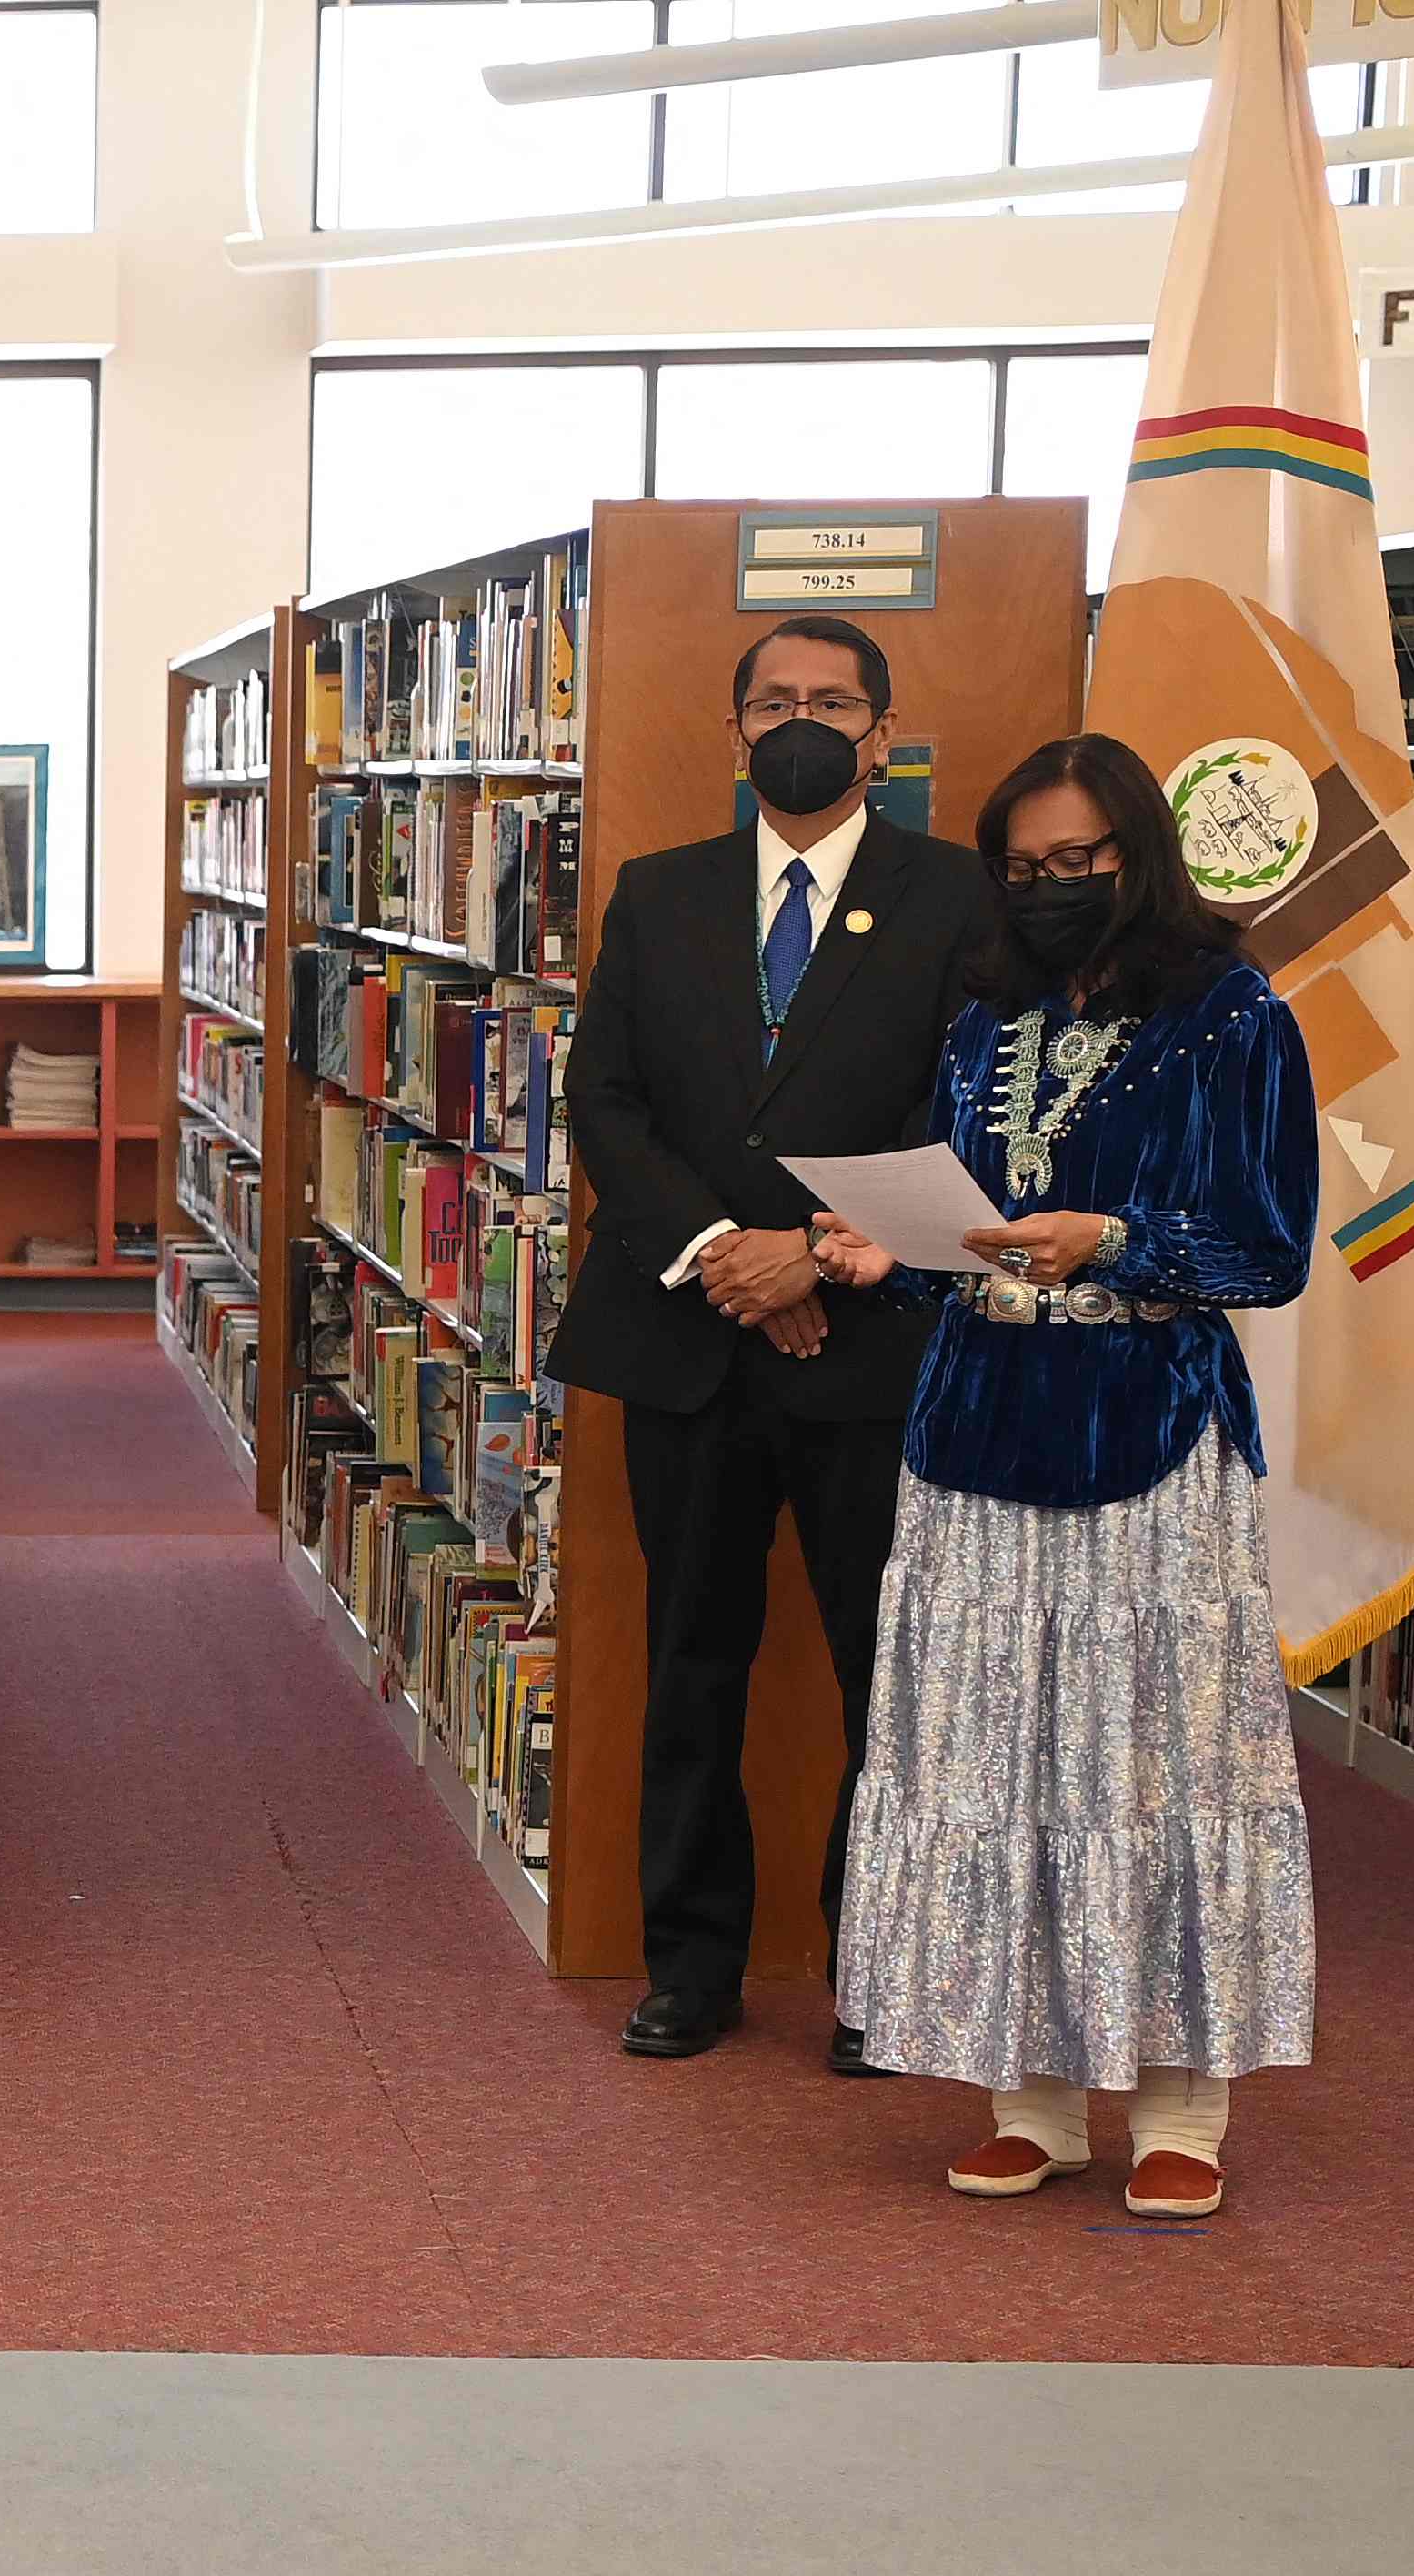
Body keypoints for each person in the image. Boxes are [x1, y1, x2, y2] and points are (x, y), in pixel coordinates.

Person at [806, 732, 1319, 2220]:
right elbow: (964, 1221)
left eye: (1081, 863)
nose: (1051, 890)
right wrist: (881, 1256)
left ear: (1141, 856)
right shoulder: (982, 1021)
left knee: (1156, 1757)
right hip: (976, 1423)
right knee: (994, 1751)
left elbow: (1265, 1250)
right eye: (1024, 868)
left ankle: (1179, 2107)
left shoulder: (1235, 1016)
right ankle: (1030, 2098)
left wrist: (1114, 1242)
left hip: (1147, 1421)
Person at [549, 613, 999, 2072]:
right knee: (692, 1662)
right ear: (732, 727)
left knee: (889, 1673)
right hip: (689, 1341)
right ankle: (692, 1964)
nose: (803, 720)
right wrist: (718, 1258)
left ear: (882, 733)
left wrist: (806, 1256)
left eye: (835, 701)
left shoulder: (958, 899)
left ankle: (877, 1977)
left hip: (874, 1352)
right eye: (775, 700)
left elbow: (970, 1119)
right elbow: (606, 1104)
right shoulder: (657, 892)